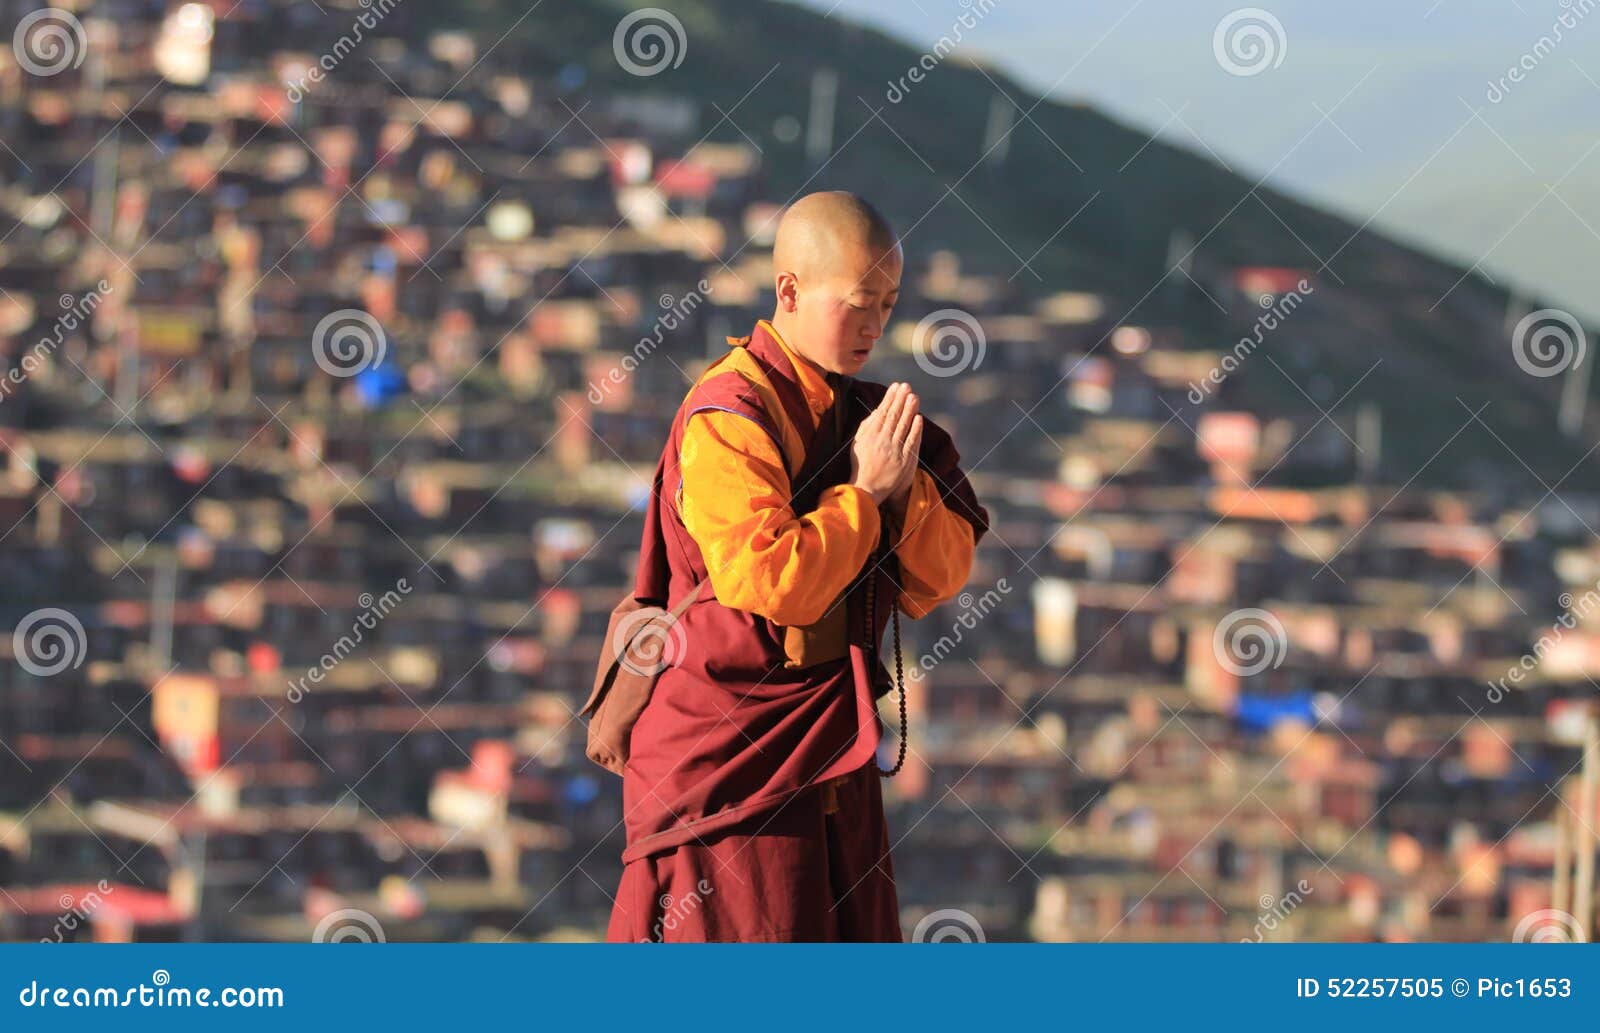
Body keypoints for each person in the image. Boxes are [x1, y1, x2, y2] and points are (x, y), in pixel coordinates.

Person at [605, 191, 990, 942]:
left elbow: (942, 575)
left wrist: (901, 488)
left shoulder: (866, 418)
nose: (876, 325)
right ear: (789, 290)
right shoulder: (729, 417)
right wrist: (867, 493)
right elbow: (770, 579)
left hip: (831, 751)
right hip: (733, 765)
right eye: (858, 303)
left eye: (888, 303)